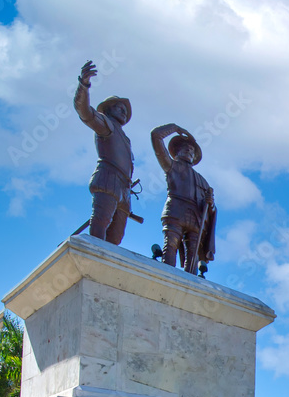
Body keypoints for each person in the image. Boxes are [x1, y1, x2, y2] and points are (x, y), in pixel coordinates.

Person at [74, 60, 134, 245]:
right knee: (100, 225)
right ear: (108, 110)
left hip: (124, 188)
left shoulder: (125, 137)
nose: (123, 111)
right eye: (119, 108)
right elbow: (84, 112)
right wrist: (84, 86)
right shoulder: (106, 123)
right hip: (108, 179)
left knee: (115, 237)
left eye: (125, 110)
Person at [150, 123, 216, 273]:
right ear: (177, 151)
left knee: (193, 254)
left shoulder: (202, 180)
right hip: (175, 212)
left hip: (196, 220)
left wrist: (210, 204)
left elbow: (210, 208)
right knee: (170, 246)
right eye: (185, 148)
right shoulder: (172, 166)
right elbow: (156, 136)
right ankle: (166, 274)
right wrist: (174, 128)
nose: (189, 151)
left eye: (192, 150)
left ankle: (189, 282)